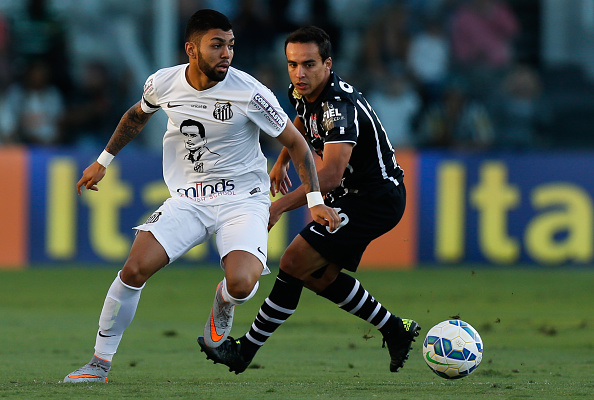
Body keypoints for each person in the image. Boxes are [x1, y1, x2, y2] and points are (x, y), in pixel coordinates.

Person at [63, 10, 340, 383]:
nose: (226, 53)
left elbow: (296, 142)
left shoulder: (250, 92)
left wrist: (314, 201)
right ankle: (99, 362)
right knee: (133, 270)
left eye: (230, 45)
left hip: (244, 199)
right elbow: (136, 115)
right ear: (191, 50)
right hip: (189, 199)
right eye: (217, 45)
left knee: (242, 284)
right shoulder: (164, 83)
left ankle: (224, 299)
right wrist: (103, 161)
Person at [198, 26, 420, 374]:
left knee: (293, 261)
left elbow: (329, 175)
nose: (299, 74)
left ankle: (245, 351)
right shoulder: (304, 90)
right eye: (292, 64)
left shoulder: (338, 108)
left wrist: (279, 206)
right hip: (351, 195)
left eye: (309, 64)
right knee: (316, 276)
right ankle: (395, 329)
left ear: (328, 64)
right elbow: (300, 119)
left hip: (375, 198)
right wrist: (284, 160)